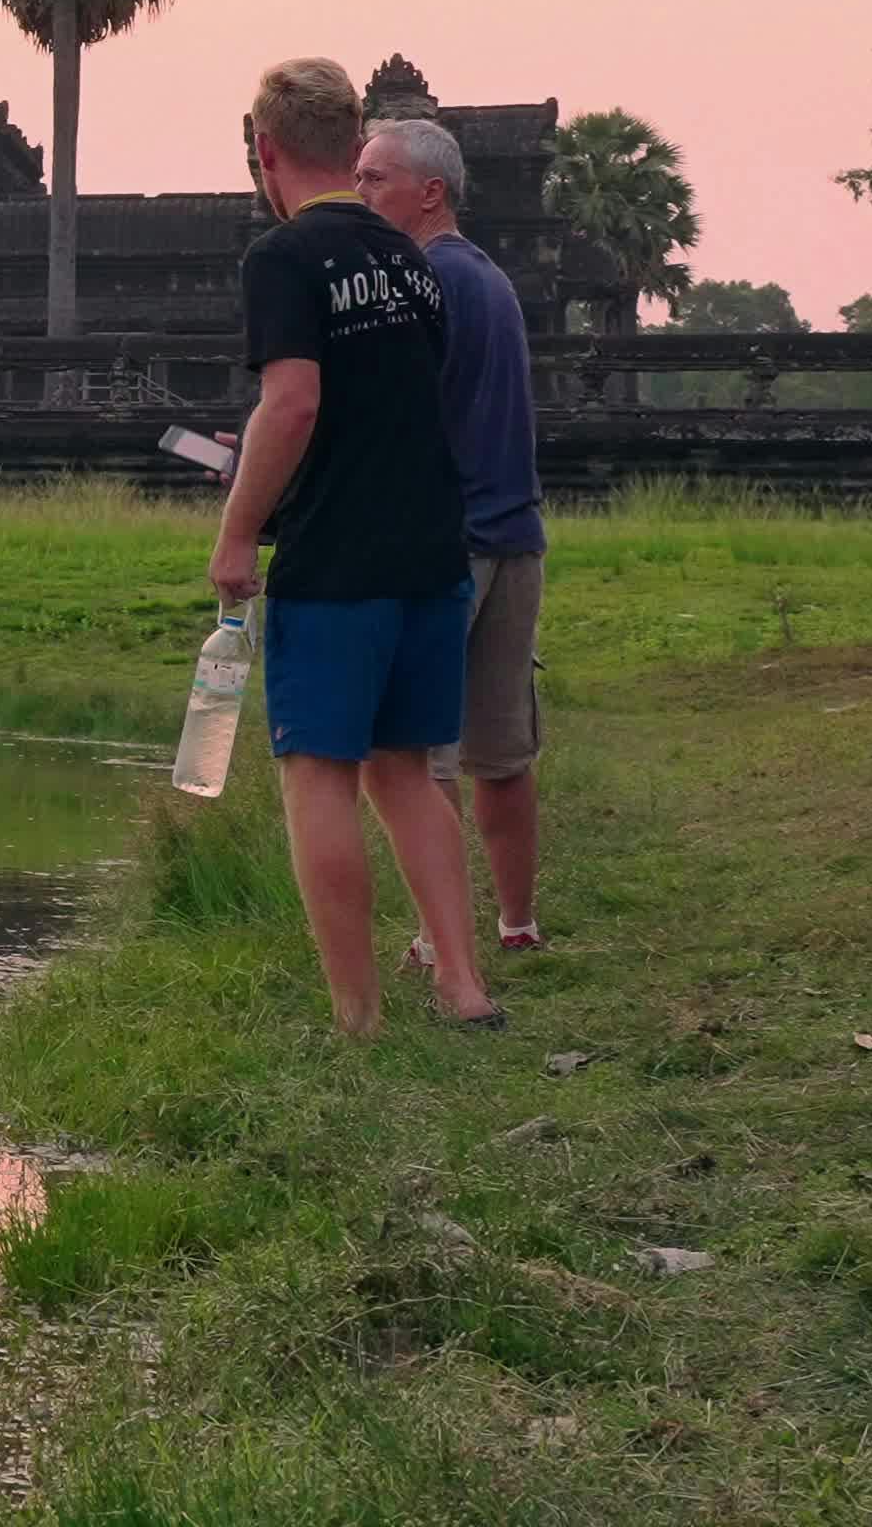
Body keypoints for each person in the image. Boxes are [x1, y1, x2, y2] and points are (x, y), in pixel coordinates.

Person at [208, 59, 499, 1035]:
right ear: (351, 144)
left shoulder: (286, 257)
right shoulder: (412, 262)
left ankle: (358, 1013)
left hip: (337, 558)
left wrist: (237, 533)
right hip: (431, 547)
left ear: (266, 150)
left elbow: (292, 402)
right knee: (405, 770)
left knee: (318, 772)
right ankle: (463, 986)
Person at [354, 118, 547, 953]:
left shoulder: (422, 279)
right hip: (513, 536)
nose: (360, 192)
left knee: (418, 754)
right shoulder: (487, 278)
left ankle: (442, 941)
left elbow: (391, 416)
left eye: (376, 178)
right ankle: (517, 924)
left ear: (430, 192)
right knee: (500, 751)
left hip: (446, 544)